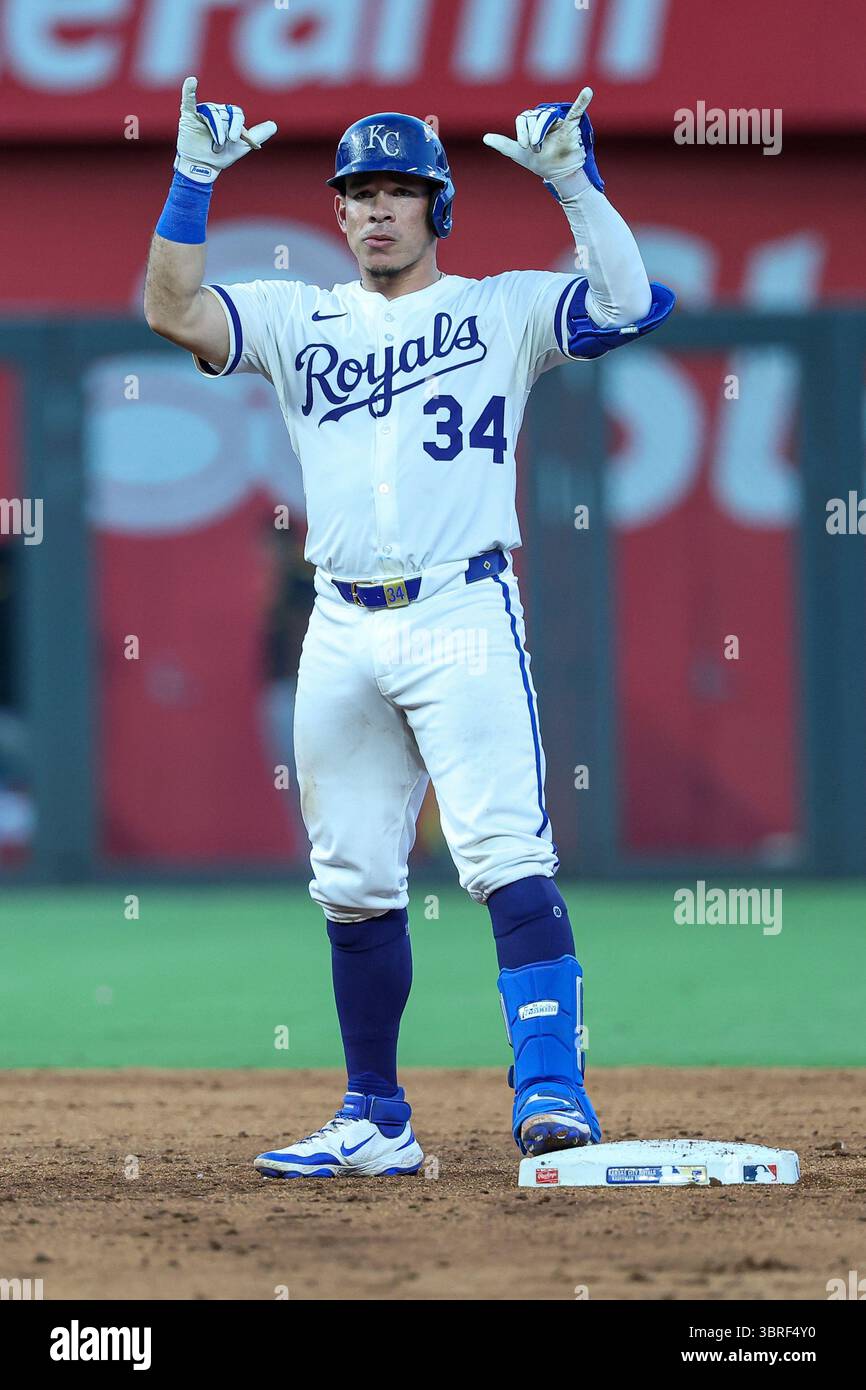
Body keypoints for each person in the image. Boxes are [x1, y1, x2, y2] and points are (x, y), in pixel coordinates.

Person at [144, 78, 675, 1179]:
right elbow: (172, 310)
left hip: (460, 607)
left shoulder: (501, 308)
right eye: (358, 192)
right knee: (350, 880)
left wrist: (574, 184)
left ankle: (551, 1090)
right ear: (337, 213)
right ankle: (375, 1117)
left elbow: (626, 304)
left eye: (398, 190)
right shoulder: (296, 316)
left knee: (505, 853)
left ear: (439, 207)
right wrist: (191, 179)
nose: (376, 208)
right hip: (340, 620)